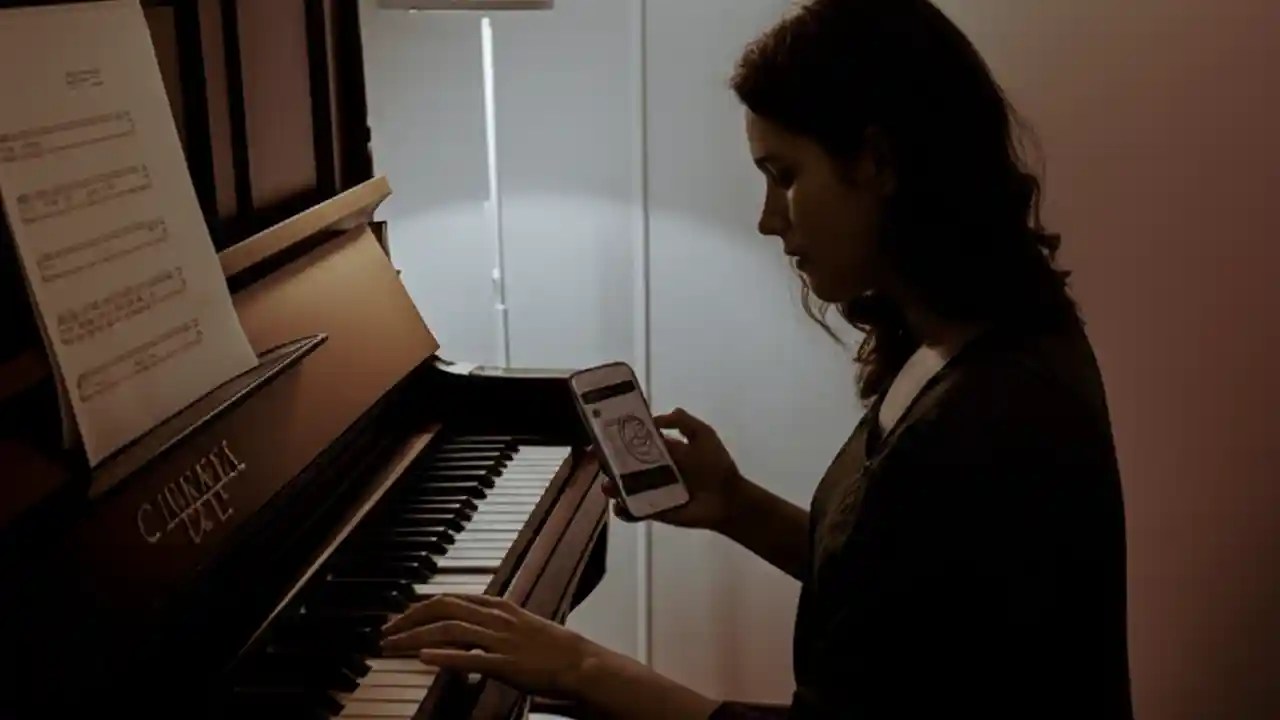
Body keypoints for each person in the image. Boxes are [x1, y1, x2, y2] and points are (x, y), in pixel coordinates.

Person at [380, 0, 1135, 717]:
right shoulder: (972, 339)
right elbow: (905, 598)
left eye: (784, 177)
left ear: (878, 161)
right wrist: (738, 507)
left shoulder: (990, 418)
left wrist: (582, 667)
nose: (769, 220)